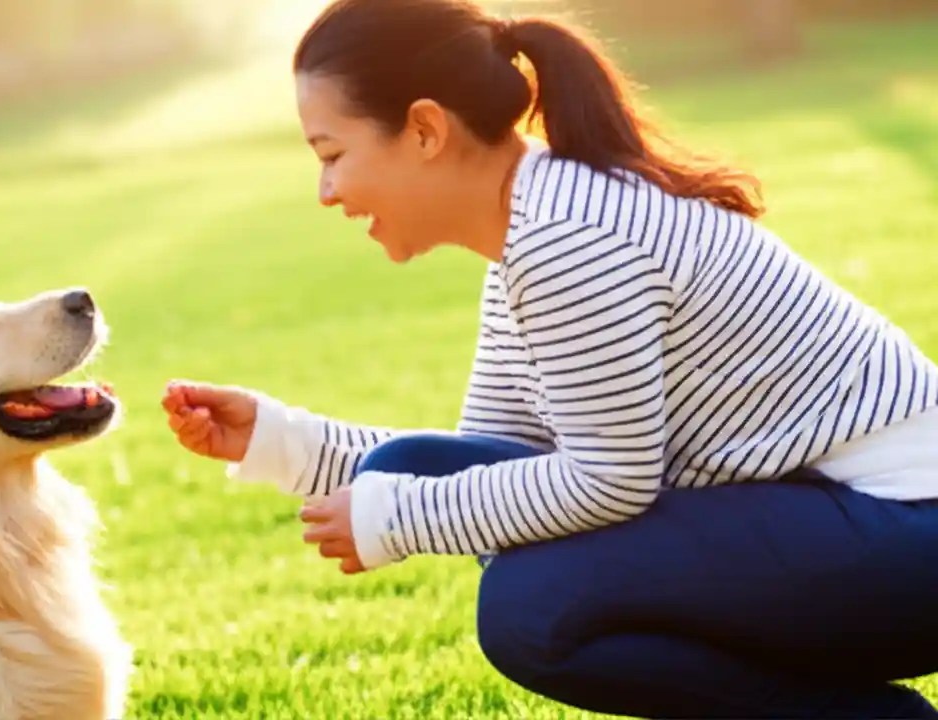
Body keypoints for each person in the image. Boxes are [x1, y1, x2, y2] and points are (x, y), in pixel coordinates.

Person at [160, 0, 938, 717]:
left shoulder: (568, 242)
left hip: (906, 530)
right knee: (469, 511)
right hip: (845, 525)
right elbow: (484, 472)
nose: (326, 191)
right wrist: (281, 441)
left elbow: (608, 480)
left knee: (532, 609)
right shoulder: (530, 232)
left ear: (425, 131)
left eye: (332, 154)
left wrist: (394, 517)